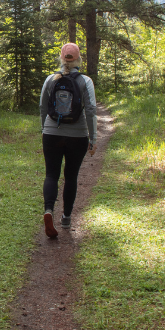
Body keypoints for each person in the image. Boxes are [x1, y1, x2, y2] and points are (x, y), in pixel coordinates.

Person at [38, 43, 97, 238]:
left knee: (51, 175)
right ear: (79, 59)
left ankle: (48, 210)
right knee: (71, 176)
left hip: (51, 132)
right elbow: (90, 110)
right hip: (77, 135)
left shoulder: (50, 79)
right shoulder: (85, 81)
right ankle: (66, 218)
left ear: (62, 58)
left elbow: (42, 106)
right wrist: (93, 137)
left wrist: (44, 128)